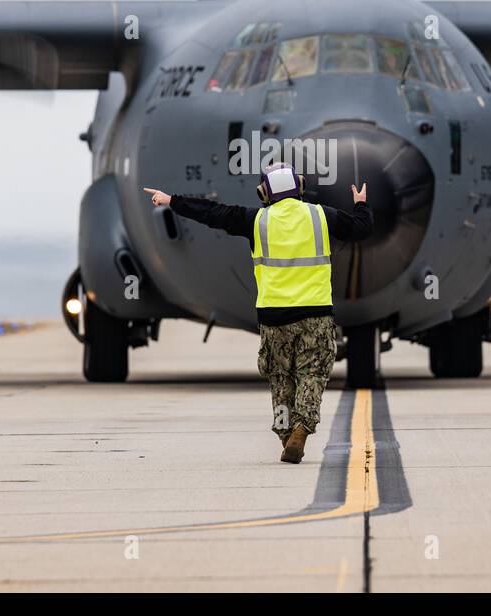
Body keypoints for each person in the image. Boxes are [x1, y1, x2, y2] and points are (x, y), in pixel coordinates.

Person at [144, 163, 372, 463]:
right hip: (315, 313)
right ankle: (303, 426)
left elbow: (211, 213)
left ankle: (284, 432)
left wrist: (171, 200)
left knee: (280, 379)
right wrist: (361, 205)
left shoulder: (255, 220)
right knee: (311, 374)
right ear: (299, 187)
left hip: (274, 317)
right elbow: (361, 229)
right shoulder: (321, 215)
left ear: (264, 192)